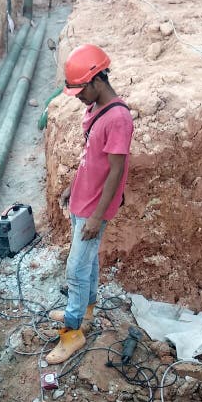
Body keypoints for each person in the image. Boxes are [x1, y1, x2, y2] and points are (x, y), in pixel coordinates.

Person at [47, 44, 134, 365]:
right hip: (82, 202)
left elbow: (116, 170)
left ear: (97, 80)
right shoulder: (96, 110)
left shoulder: (119, 119)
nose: (78, 96)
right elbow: (90, 157)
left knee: (76, 268)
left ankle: (73, 333)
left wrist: (98, 217)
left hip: (94, 209)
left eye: (80, 89)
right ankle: (86, 312)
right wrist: (73, 184)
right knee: (88, 263)